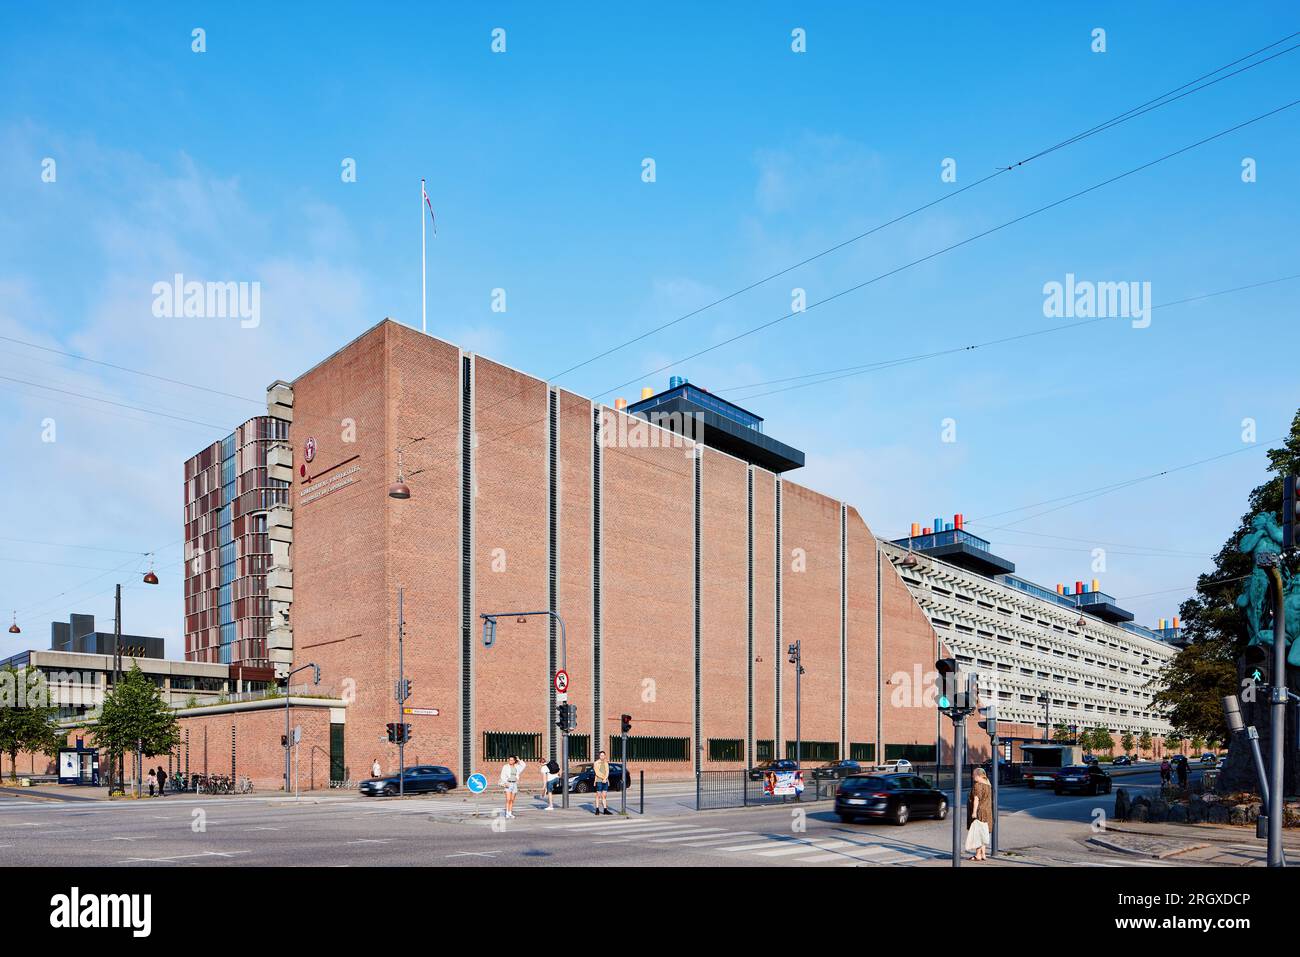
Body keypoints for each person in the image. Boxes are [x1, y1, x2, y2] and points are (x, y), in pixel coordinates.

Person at [965, 766, 993, 862]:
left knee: (978, 833)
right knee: (983, 833)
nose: (972, 776)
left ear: (978, 776)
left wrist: (973, 812)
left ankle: (978, 855)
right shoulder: (988, 785)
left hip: (980, 812)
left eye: (973, 775)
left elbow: (976, 799)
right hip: (987, 812)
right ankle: (983, 854)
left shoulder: (978, 785)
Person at [499, 755, 526, 819]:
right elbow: (502, 775)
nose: (510, 761)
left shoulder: (517, 767)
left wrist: (518, 759)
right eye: (509, 760)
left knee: (512, 800)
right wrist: (505, 783)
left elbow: (524, 765)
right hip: (508, 783)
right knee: (508, 799)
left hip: (514, 784)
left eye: (511, 760)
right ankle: (507, 814)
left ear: (514, 761)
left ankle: (510, 813)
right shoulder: (505, 766)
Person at [592, 750, 612, 815]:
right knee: (598, 795)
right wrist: (603, 778)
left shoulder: (606, 763)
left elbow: (607, 771)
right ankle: (597, 809)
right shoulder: (596, 763)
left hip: (605, 780)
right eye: (601, 755)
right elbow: (597, 772)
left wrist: (605, 778)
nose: (602, 756)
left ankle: (605, 810)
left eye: (603, 755)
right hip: (599, 780)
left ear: (605, 756)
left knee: (604, 796)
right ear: (599, 756)